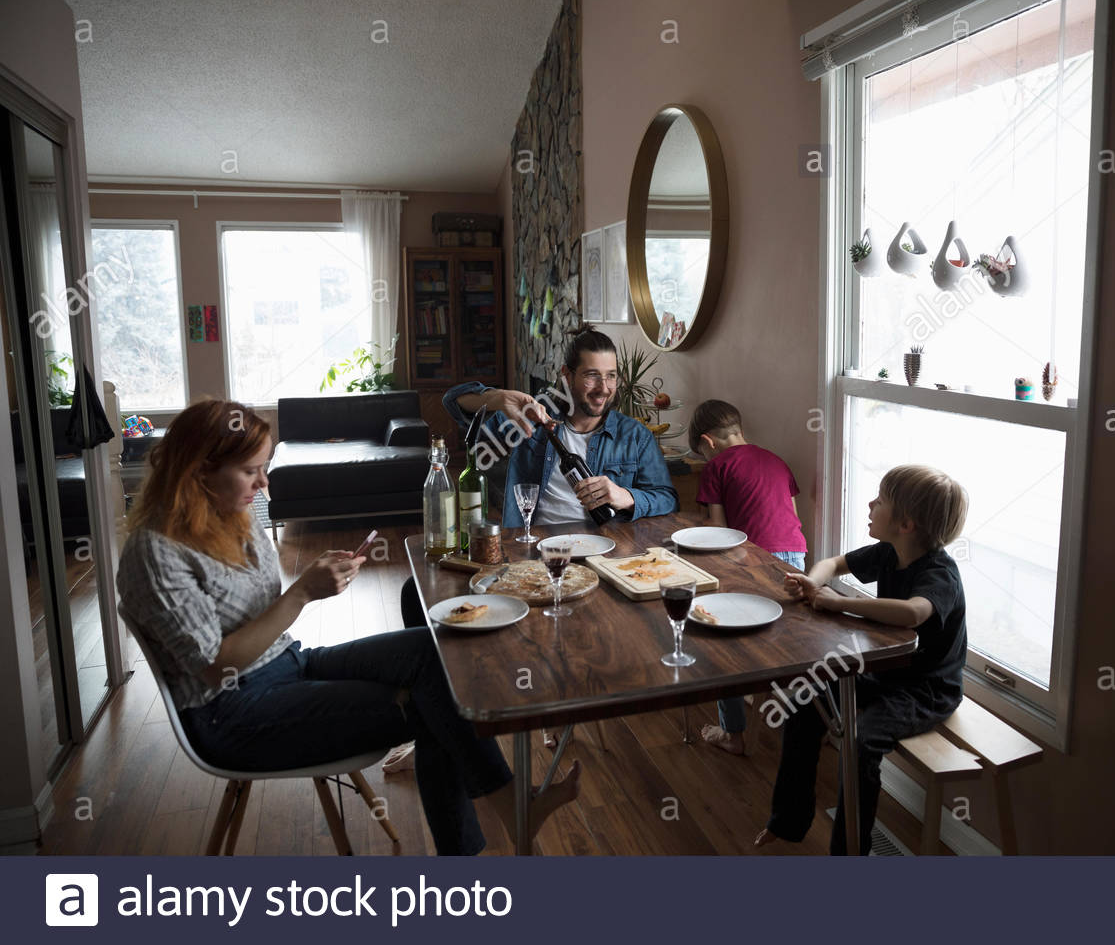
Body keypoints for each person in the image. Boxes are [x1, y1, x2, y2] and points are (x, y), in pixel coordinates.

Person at [115, 399, 580, 855]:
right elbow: (216, 668)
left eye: (265, 467)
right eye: (251, 471)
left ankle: (509, 816)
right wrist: (302, 593)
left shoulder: (231, 515)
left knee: (435, 652)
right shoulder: (156, 552)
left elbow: (255, 613)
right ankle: (506, 819)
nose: (265, 483)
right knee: (438, 708)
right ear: (199, 472)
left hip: (286, 665)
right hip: (233, 713)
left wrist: (315, 575)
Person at [756, 464, 969, 855]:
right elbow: (836, 563)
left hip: (926, 690)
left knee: (861, 742)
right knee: (804, 700)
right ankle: (787, 821)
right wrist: (814, 582)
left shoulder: (940, 574)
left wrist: (841, 602)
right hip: (884, 674)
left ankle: (850, 852)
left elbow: (915, 613)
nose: (870, 504)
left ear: (906, 523)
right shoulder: (889, 553)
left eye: (881, 500)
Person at [443, 325, 677, 527]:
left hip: (608, 553)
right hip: (538, 551)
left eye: (611, 376)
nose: (604, 388)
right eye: (592, 375)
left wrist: (625, 496)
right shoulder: (531, 422)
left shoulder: (635, 436)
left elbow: (667, 499)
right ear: (566, 376)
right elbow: (453, 403)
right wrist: (496, 398)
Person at [687, 399, 807, 756]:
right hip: (794, 557)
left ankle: (732, 733)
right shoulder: (775, 459)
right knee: (786, 640)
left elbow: (720, 530)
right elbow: (792, 519)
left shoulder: (716, 467)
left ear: (708, 442)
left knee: (726, 643)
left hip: (751, 560)